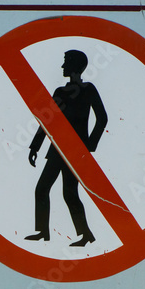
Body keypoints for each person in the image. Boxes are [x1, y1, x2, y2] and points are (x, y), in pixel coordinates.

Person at [26, 50, 107, 247]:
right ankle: (43, 232)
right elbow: (47, 120)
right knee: (42, 189)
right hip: (57, 150)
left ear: (74, 66)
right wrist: (35, 146)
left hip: (75, 151)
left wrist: (89, 146)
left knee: (69, 193)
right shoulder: (60, 92)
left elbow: (102, 118)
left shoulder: (89, 89)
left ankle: (85, 234)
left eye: (65, 63)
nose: (62, 67)